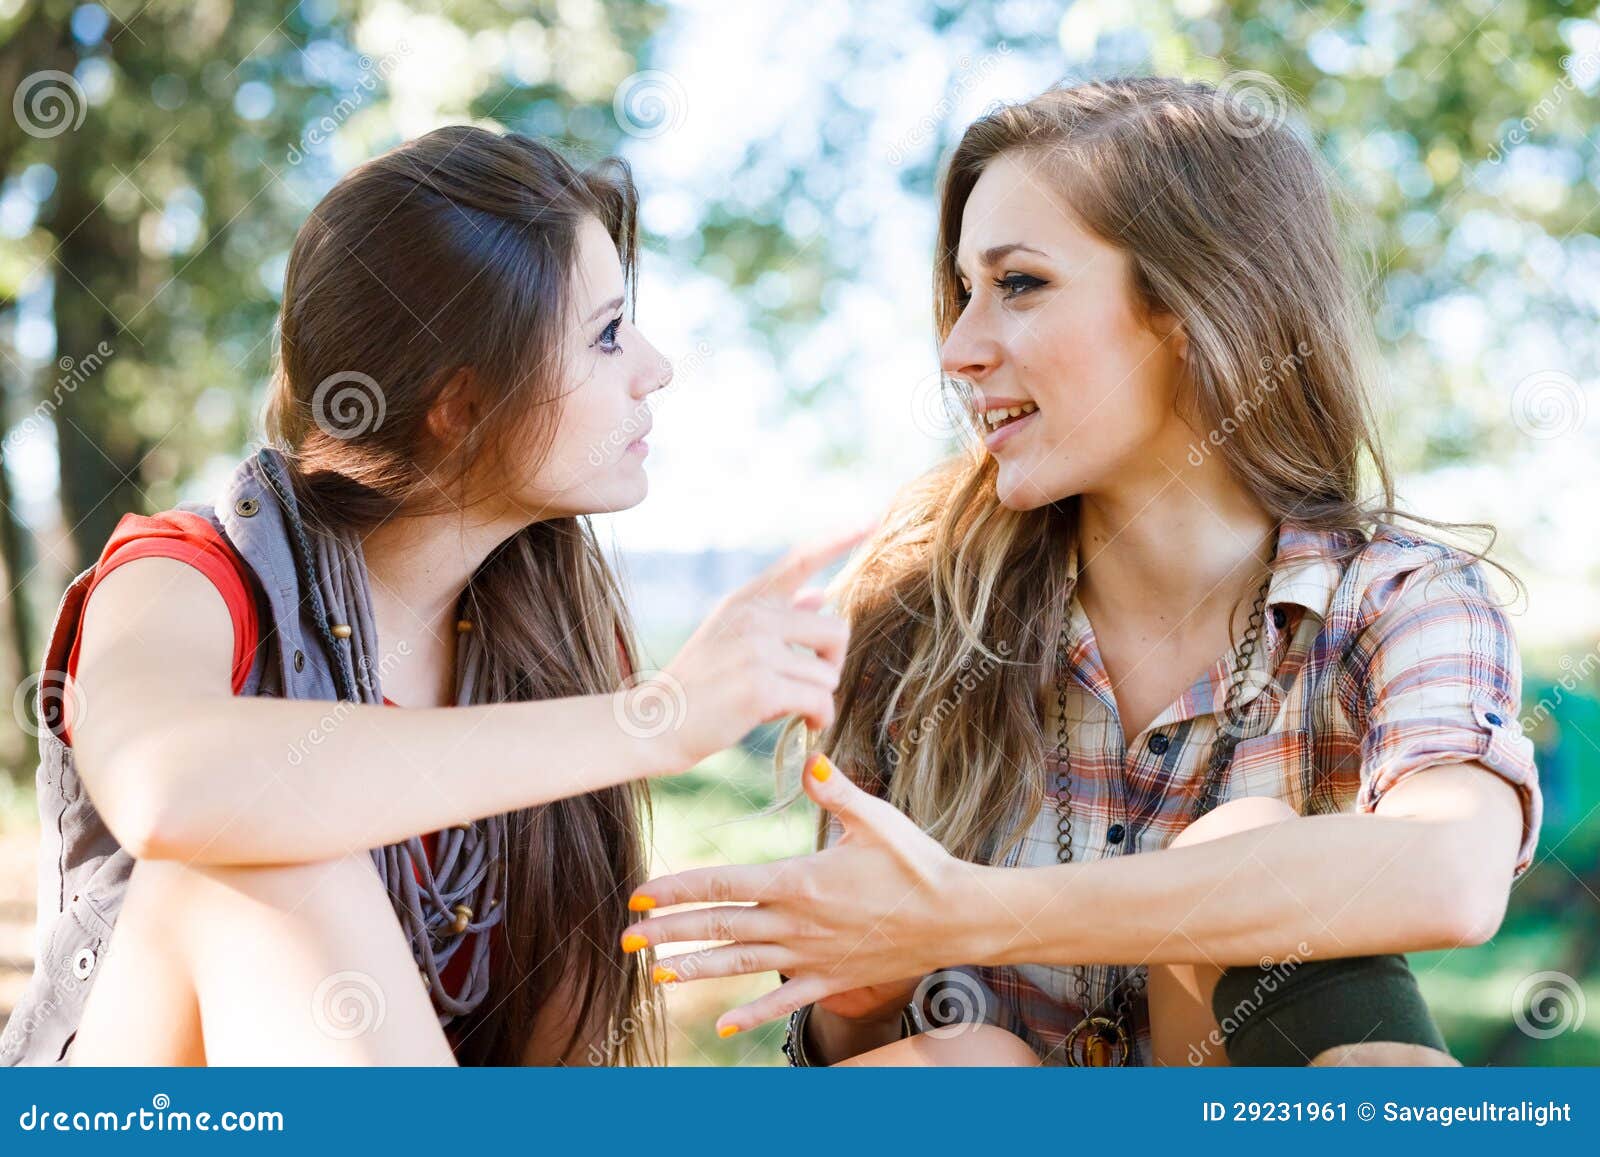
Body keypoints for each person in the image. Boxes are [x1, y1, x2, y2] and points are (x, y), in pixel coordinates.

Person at [620, 77, 1542, 1068]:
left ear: (1193, 307)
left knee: (1252, 849)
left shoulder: (1404, 602)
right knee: (967, 1063)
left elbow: (1449, 868)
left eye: (1018, 284)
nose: (959, 348)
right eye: (963, 291)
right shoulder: (919, 620)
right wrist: (864, 985)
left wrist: (968, 913)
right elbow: (852, 1040)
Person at [0, 126, 859, 1067]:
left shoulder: (554, 646)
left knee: (961, 1063)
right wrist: (658, 720)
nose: (655, 366)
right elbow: (173, 788)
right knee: (275, 853)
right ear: (461, 404)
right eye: (608, 333)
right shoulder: (186, 576)